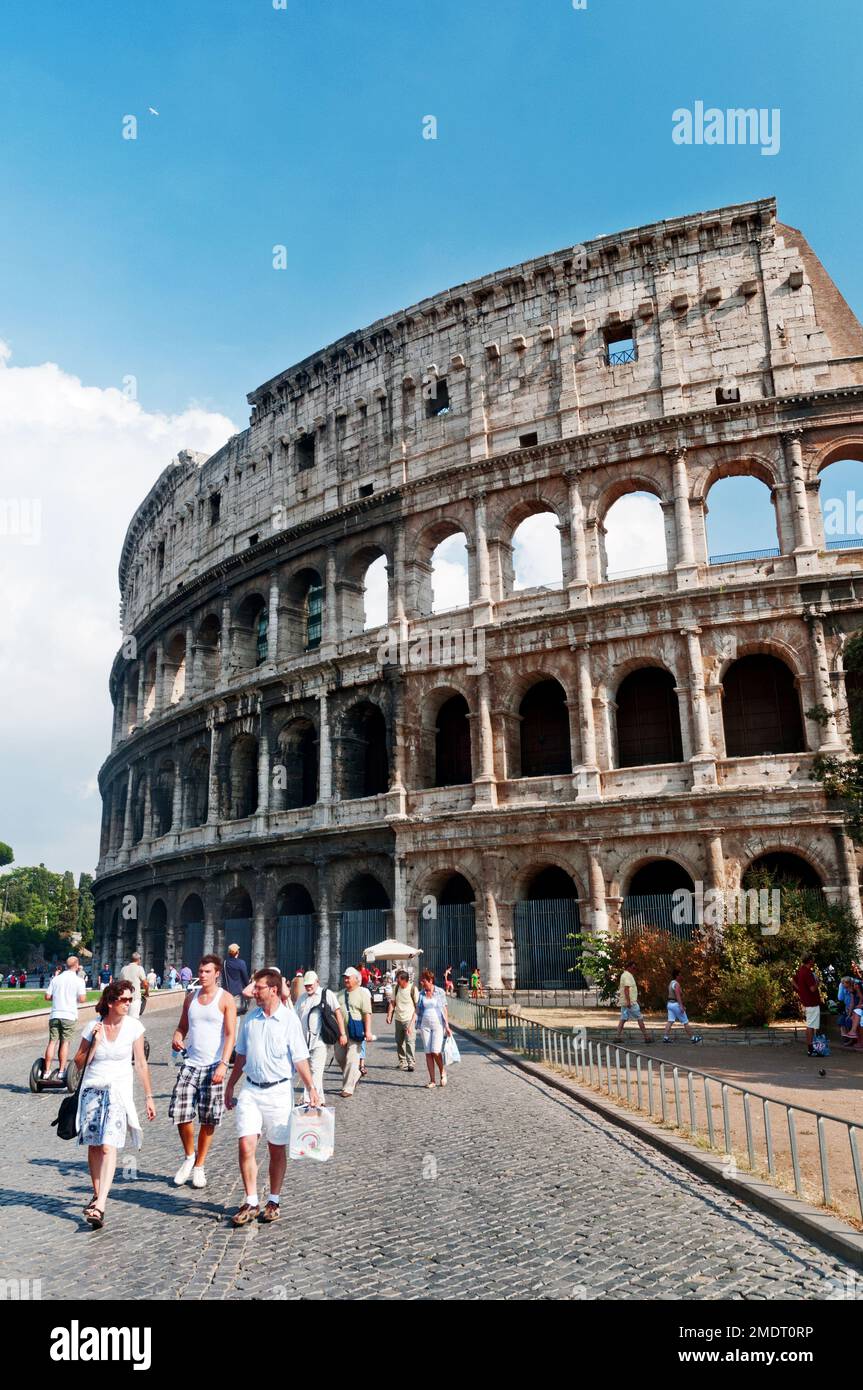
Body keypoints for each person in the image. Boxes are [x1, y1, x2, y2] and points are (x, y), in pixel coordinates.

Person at [224, 968, 319, 1226]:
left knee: (276, 1149)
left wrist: (311, 1087)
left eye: (259, 988)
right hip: (251, 1090)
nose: (254, 992)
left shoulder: (289, 1020)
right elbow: (241, 1055)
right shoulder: (250, 1020)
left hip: (278, 1091)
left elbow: (299, 1058)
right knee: (245, 1145)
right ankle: (251, 1200)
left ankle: (274, 1199)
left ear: (274, 990)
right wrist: (231, 1084)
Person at [70, 980, 156, 1229]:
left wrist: (148, 1097)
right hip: (92, 1091)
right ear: (110, 1002)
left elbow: (140, 1063)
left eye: (131, 1000)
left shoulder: (134, 1028)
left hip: (118, 1093)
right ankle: (97, 1195)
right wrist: (95, 1043)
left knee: (109, 1145)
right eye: (124, 1000)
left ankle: (101, 1204)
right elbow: (78, 1062)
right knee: (95, 1146)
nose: (129, 1004)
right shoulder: (92, 1027)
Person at [169, 953, 236, 1189]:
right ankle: (189, 1156)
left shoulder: (226, 999)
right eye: (200, 971)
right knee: (181, 1111)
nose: (202, 975)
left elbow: (230, 1035)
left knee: (208, 1117)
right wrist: (177, 1037)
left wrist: (223, 1064)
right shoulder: (191, 998)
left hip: (213, 1065)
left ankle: (199, 1164)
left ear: (217, 973)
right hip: (191, 1063)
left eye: (207, 971)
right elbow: (182, 1027)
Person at [295, 970, 345, 1105]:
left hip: (320, 1041)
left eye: (311, 984)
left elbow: (338, 1012)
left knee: (316, 1071)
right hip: (304, 1043)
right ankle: (319, 1099)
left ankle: (308, 1099)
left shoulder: (327, 994)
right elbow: (294, 1019)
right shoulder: (302, 998)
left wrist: (342, 1034)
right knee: (308, 1071)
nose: (308, 987)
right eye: (306, 985)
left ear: (317, 982)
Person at [43, 955, 87, 1079]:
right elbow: (82, 999)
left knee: (52, 1042)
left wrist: (56, 997)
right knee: (65, 1043)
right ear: (77, 965)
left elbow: (47, 997)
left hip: (55, 1014)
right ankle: (62, 1071)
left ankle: (46, 1071)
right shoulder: (79, 980)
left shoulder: (56, 979)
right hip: (69, 1015)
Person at [335, 967, 373, 1098]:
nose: (345, 979)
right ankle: (355, 1074)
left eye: (348, 977)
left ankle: (348, 1087)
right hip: (341, 1030)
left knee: (352, 1058)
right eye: (344, 977)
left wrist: (368, 1031)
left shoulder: (363, 994)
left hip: (356, 1029)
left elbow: (367, 1013)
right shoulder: (339, 994)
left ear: (356, 979)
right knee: (339, 1056)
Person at [416, 969, 452, 1088]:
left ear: (430, 980)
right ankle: (432, 1080)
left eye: (424, 980)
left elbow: (444, 1009)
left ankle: (442, 1071)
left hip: (437, 1025)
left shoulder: (440, 992)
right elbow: (417, 1010)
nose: (422, 982)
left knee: (435, 1051)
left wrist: (447, 1025)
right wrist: (412, 1024)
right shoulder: (421, 994)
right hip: (424, 1025)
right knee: (428, 1053)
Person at [387, 970, 419, 1072]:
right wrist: (389, 1015)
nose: (397, 981)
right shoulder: (396, 988)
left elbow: (417, 1006)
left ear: (405, 980)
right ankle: (402, 1062)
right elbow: (392, 1003)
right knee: (399, 1041)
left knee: (410, 1041)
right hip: (398, 1019)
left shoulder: (413, 989)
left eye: (398, 980)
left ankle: (411, 1063)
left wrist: (413, 1020)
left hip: (409, 1019)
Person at [614, 961, 652, 1043]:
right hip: (630, 1003)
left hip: (625, 1002)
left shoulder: (625, 975)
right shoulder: (627, 975)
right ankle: (646, 1037)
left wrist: (635, 1000)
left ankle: (617, 1037)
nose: (635, 970)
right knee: (640, 1017)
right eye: (633, 968)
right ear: (629, 967)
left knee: (623, 1019)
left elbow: (630, 990)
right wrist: (629, 1001)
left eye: (635, 968)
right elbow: (626, 989)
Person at [662, 968, 702, 1043]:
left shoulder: (671, 983)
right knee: (685, 1021)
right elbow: (678, 996)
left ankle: (665, 1037)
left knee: (670, 1021)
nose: (681, 976)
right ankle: (693, 1038)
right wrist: (681, 1006)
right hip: (675, 1004)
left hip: (669, 1004)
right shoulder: (676, 984)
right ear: (677, 976)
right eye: (680, 975)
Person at [794, 954, 822, 1056]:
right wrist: (818, 982)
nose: (814, 962)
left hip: (806, 1001)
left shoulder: (801, 970)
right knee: (811, 1026)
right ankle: (811, 1048)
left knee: (809, 1025)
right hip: (812, 1002)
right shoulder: (807, 973)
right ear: (809, 961)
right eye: (813, 960)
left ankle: (810, 1047)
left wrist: (801, 992)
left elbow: (793, 980)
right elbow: (812, 989)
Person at [119, 951, 148, 1019]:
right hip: (135, 997)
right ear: (139, 959)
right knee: (134, 1020)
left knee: (124, 1020)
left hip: (124, 998)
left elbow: (119, 983)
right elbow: (145, 983)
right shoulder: (139, 968)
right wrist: (146, 991)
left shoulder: (123, 969)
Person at [221, 943, 250, 1007]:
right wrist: (248, 986)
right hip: (237, 993)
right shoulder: (241, 963)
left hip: (226, 992)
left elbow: (223, 976)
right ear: (237, 952)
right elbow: (245, 977)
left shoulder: (224, 963)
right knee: (236, 1013)